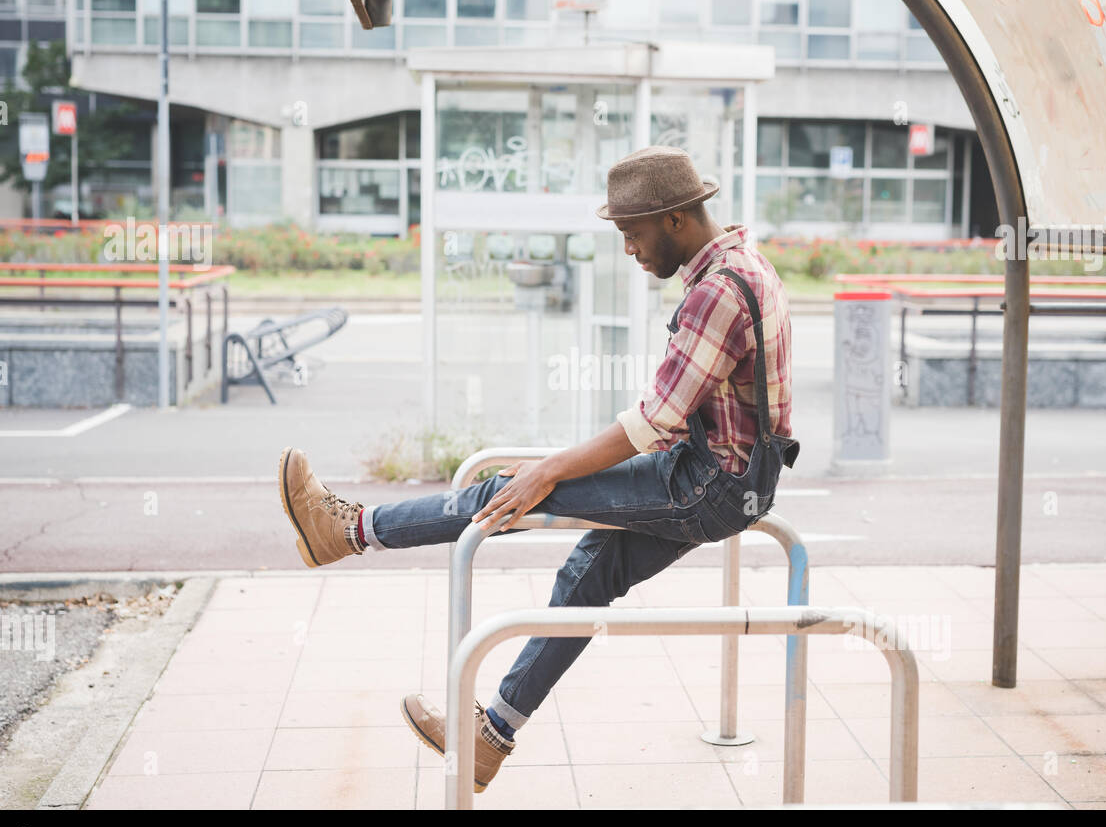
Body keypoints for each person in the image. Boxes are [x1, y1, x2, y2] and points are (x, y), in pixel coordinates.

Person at [278, 145, 799, 793]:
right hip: (734, 478)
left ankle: (350, 530)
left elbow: (651, 423)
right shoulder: (744, 264)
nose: (629, 250)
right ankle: (490, 738)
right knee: (591, 571)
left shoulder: (716, 293)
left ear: (674, 220)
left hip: (708, 483)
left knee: (511, 490)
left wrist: (547, 470)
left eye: (632, 234)